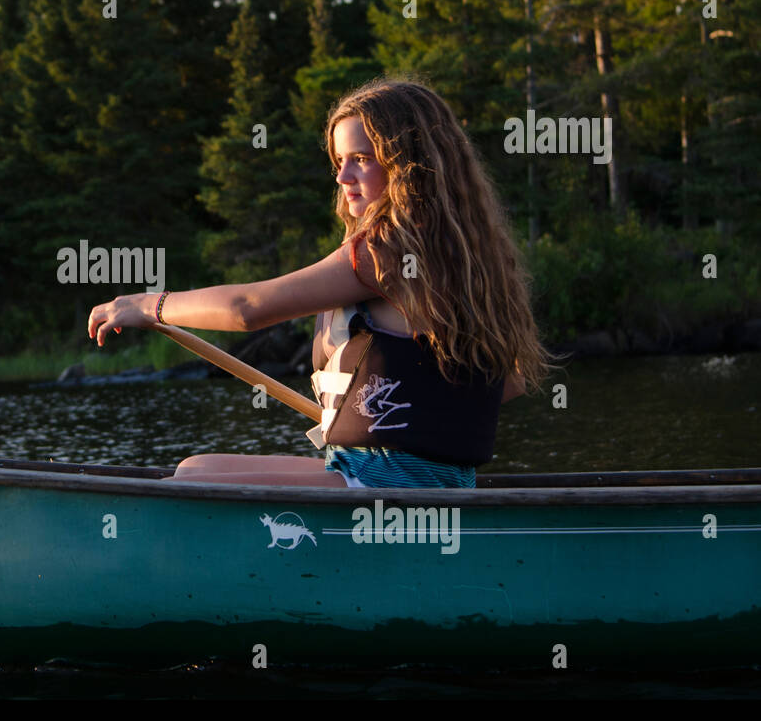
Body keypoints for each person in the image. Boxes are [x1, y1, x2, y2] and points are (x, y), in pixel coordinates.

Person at [86, 77, 551, 487]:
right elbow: (507, 384)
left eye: (362, 159)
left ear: (408, 163)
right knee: (196, 469)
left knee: (192, 480)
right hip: (439, 481)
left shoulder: (384, 252)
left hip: (383, 482)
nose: (343, 176)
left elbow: (249, 308)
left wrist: (148, 305)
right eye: (339, 161)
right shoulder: (474, 259)